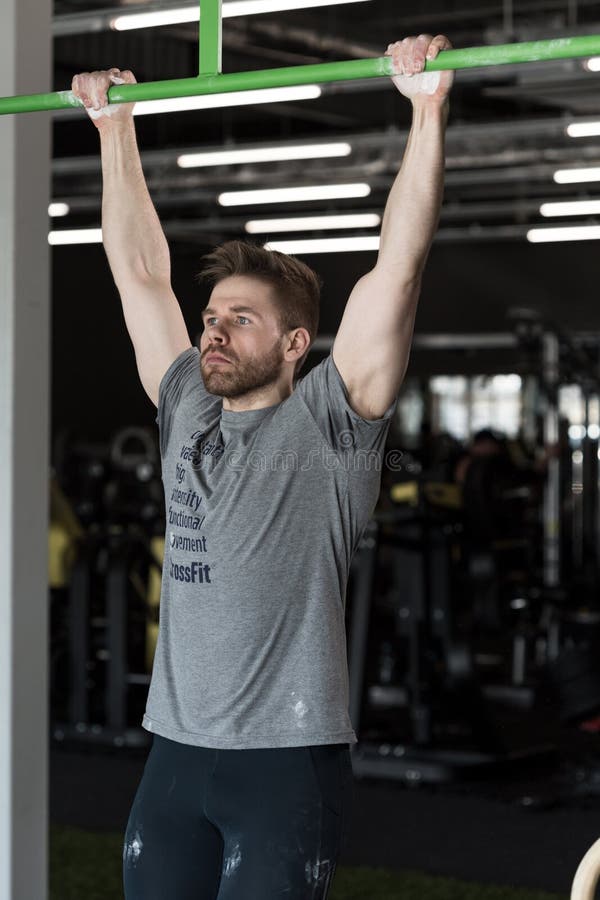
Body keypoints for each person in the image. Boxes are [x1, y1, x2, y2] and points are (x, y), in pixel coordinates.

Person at [71, 32, 453, 900]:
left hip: (285, 764)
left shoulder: (332, 422)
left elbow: (397, 271)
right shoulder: (186, 411)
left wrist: (425, 114)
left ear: (293, 344)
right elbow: (138, 276)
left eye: (239, 319)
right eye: (211, 315)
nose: (212, 329)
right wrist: (113, 129)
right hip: (172, 755)